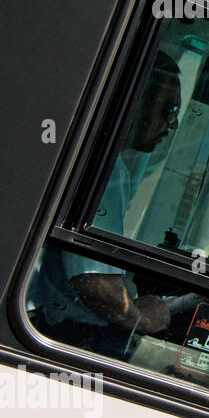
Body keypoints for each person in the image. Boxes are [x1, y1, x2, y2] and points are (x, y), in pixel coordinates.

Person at [31, 54, 183, 357]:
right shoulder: (101, 167)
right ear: (134, 102)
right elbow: (96, 284)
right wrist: (142, 318)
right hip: (48, 331)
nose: (173, 123)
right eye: (169, 109)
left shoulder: (109, 162)